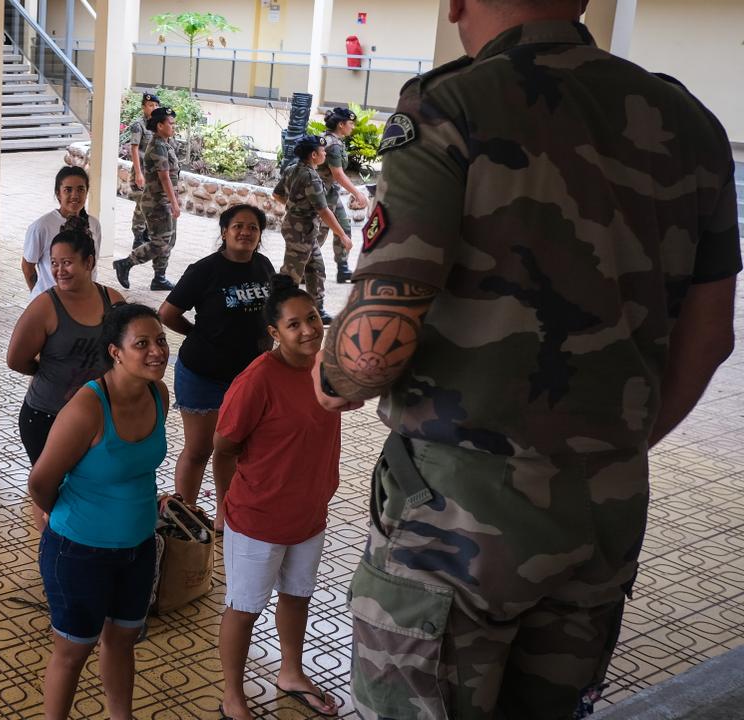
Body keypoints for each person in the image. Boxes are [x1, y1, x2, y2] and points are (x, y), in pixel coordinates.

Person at [313, 2, 739, 718]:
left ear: (455, 5)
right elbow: (710, 337)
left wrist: (331, 378)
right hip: (603, 512)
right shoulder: (686, 122)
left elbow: (379, 335)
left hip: (458, 521)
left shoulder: (453, 104)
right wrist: (602, 448)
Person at [28, 303, 170, 720]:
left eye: (160, 340)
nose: (156, 351)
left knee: (123, 641)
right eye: (141, 343)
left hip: (140, 547)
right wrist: (67, 522)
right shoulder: (88, 408)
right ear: (115, 351)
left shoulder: (158, 393)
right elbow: (40, 482)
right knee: (73, 651)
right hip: (79, 551)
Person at [214, 278, 344, 719]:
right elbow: (224, 446)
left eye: (311, 318)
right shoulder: (257, 381)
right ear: (274, 332)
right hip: (257, 517)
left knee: (297, 595)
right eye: (294, 324)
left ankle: (290, 671)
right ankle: (233, 694)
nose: (308, 329)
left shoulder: (325, 366)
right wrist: (223, 508)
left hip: (310, 512)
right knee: (245, 607)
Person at [159, 203, 276, 504]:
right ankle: (184, 516)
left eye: (253, 227)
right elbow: (167, 313)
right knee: (199, 450)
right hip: (203, 374)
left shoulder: (263, 266)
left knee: (232, 449)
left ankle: (226, 516)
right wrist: (196, 334)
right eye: (238, 226)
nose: (245, 232)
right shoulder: (204, 270)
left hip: (249, 378)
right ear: (224, 232)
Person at [8, 228, 123, 529]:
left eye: (67, 262)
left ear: (89, 262)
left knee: (87, 486)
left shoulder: (112, 301)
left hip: (97, 416)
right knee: (48, 492)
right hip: (46, 414)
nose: (59, 270)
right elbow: (16, 358)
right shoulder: (45, 306)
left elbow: (126, 354)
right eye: (54, 263)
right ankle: (51, 552)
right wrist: (48, 375)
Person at [273, 135, 348, 325]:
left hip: (300, 229)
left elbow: (277, 194)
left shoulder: (292, 169)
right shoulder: (311, 177)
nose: (325, 154)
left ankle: (317, 309)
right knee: (291, 275)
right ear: (314, 155)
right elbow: (323, 211)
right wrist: (342, 235)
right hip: (300, 231)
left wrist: (294, 206)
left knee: (315, 268)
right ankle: (278, 313)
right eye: (322, 152)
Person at [113, 106, 182, 291]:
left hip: (165, 201)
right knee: (160, 242)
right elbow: (164, 176)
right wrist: (174, 203)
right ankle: (126, 263)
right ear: (160, 125)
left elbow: (173, 177)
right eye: (171, 124)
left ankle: (159, 278)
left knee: (169, 241)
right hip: (156, 204)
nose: (173, 127)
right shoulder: (158, 146)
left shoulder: (166, 144)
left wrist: (175, 198)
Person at [21, 166, 101, 299]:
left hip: (83, 300)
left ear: (87, 192)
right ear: (58, 193)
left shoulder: (94, 224)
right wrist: (40, 297)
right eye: (68, 190)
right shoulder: (41, 227)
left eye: (80, 189)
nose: (75, 195)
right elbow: (28, 267)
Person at [318, 107, 369, 283]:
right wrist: (358, 193)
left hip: (329, 192)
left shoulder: (329, 139)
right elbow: (338, 174)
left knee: (344, 227)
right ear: (341, 125)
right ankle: (304, 269)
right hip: (319, 194)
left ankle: (343, 269)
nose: (353, 127)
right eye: (350, 124)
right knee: (319, 233)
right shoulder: (333, 144)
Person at [121, 92, 161, 249]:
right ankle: (138, 236)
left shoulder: (157, 124)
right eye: (150, 105)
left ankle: (146, 233)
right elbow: (134, 149)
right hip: (142, 171)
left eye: (156, 105)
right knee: (142, 205)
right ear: (144, 107)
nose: (154, 108)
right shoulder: (139, 125)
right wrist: (138, 173)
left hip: (154, 173)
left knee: (151, 205)